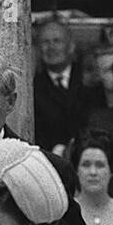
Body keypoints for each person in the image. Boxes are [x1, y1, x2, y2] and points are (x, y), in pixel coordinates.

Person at [32, 19, 92, 155]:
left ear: (71, 46)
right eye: (45, 42)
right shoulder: (34, 88)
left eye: (57, 41)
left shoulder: (89, 80)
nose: (51, 47)